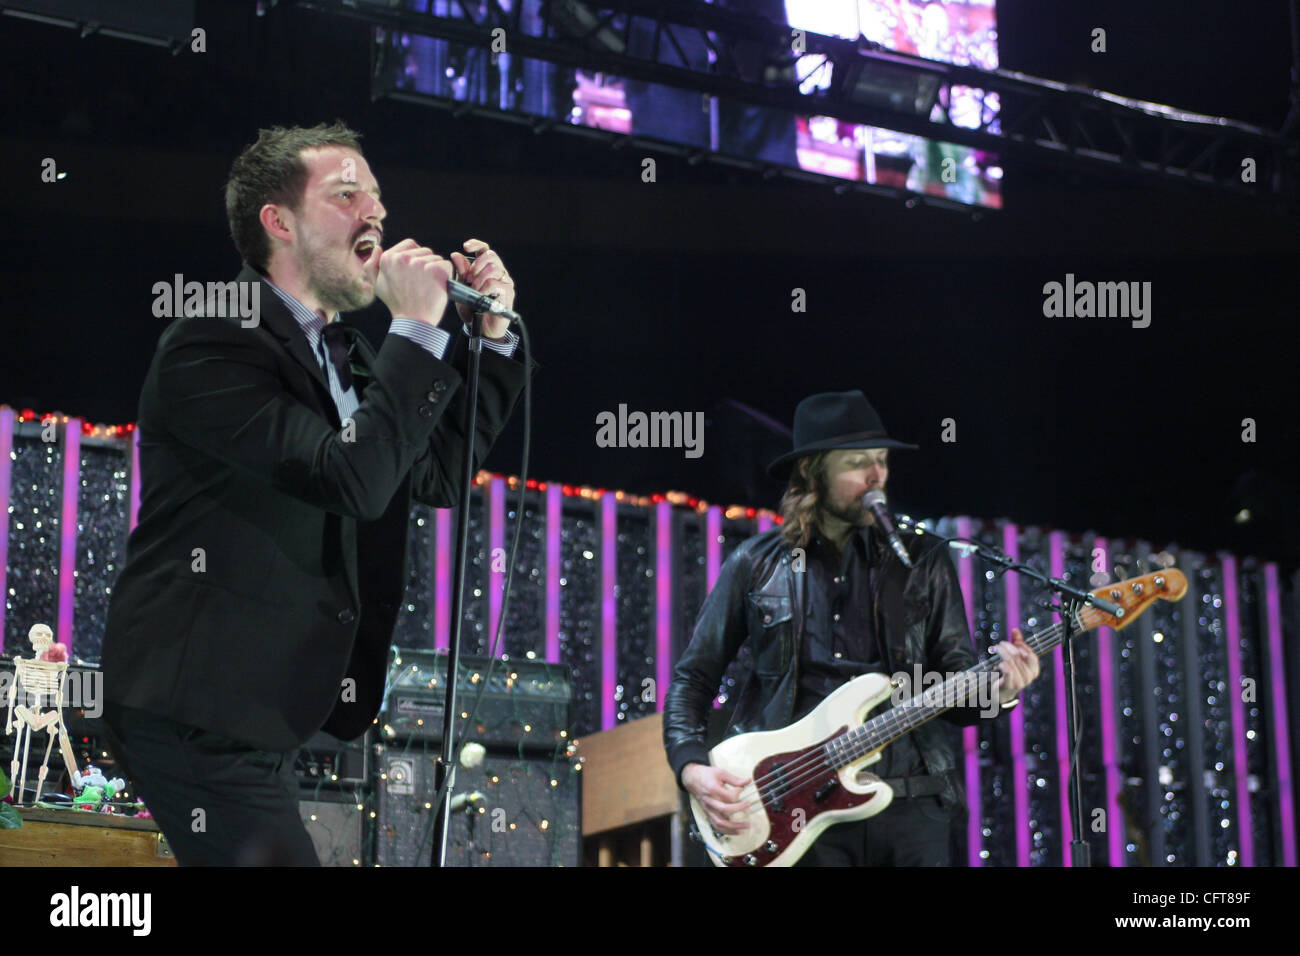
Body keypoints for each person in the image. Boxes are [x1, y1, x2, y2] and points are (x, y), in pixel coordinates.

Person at [100, 123, 530, 865]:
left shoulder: (348, 357)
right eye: (347, 193)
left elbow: (431, 472)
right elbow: (349, 479)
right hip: (193, 709)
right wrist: (418, 330)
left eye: (378, 197)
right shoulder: (216, 338)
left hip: (266, 715)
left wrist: (487, 339)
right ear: (279, 221)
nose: (377, 213)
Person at [663, 390, 1039, 866]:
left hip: (912, 806)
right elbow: (693, 677)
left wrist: (1001, 690)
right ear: (812, 471)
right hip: (796, 810)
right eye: (857, 462)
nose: (876, 476)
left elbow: (956, 684)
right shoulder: (756, 564)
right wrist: (691, 765)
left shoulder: (923, 558)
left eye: (881, 460)